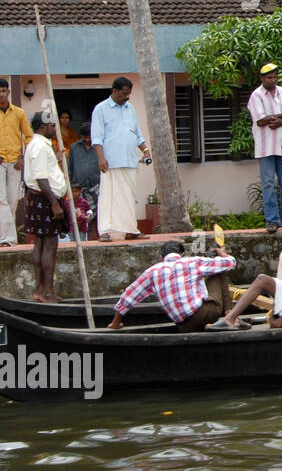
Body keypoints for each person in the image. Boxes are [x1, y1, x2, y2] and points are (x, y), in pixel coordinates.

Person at [109, 239, 236, 332]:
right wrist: (223, 254)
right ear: (181, 254)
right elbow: (230, 262)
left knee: (213, 271)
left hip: (184, 326)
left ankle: (228, 318)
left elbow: (128, 296)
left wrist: (116, 323)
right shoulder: (191, 261)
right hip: (205, 315)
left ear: (161, 257)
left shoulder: (152, 272)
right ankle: (231, 318)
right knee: (219, 270)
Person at [91, 77, 149, 241]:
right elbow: (97, 138)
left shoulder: (130, 109)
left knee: (128, 198)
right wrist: (100, 158)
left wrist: (145, 150)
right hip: (110, 162)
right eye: (124, 94)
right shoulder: (100, 109)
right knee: (108, 197)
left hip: (130, 161)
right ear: (114, 91)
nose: (127, 97)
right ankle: (105, 231)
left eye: (129, 94)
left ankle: (130, 230)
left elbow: (137, 134)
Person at [23, 113, 69, 302]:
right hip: (44, 199)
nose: (55, 128)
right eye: (52, 125)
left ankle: (40, 289)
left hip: (39, 197)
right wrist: (54, 203)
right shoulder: (40, 146)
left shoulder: (35, 144)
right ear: (44, 126)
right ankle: (46, 291)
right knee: (49, 244)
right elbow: (42, 177)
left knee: (40, 243)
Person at [247, 63, 282, 232]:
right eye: (269, 77)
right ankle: (272, 220)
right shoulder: (256, 96)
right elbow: (261, 121)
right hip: (266, 146)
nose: (273, 80)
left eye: (275, 77)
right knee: (268, 183)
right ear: (262, 78)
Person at [0, 78, 32, 247]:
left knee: (13, 200)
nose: (1, 95)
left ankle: (5, 235)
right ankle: (8, 239)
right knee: (1, 200)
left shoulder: (19, 113)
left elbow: (29, 136)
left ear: (8, 92)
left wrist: (23, 157)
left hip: (15, 161)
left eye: (3, 91)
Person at [68, 122, 100, 241]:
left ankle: (93, 241)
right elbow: (70, 169)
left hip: (96, 188)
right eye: (85, 137)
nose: (87, 139)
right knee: (78, 218)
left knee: (95, 218)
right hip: (78, 190)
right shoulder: (74, 148)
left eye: (89, 136)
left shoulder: (99, 147)